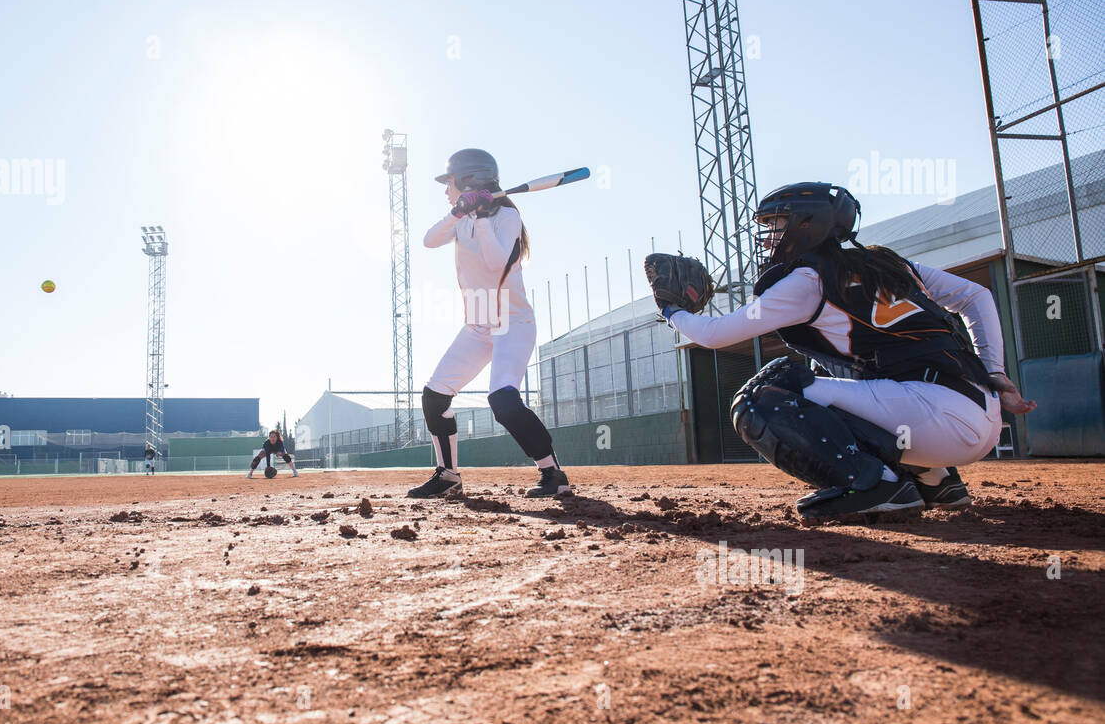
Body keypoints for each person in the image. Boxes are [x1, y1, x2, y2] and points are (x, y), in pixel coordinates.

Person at [653, 181, 1035, 522]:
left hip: (934, 417)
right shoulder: (889, 263)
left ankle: (876, 485)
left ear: (807, 225)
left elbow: (716, 334)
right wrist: (995, 372)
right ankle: (934, 478)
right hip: (971, 409)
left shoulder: (808, 279)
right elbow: (976, 296)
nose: (769, 236)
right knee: (828, 365)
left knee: (761, 396)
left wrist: (672, 311)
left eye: (778, 224)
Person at [408, 148, 570, 499]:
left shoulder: (506, 217)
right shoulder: (460, 218)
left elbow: (496, 263)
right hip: (478, 327)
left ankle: (552, 473)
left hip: (512, 323)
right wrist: (459, 212)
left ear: (468, 180)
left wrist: (481, 217)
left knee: (502, 399)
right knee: (434, 397)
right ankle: (448, 474)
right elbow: (428, 240)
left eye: (449, 182)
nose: (445, 189)